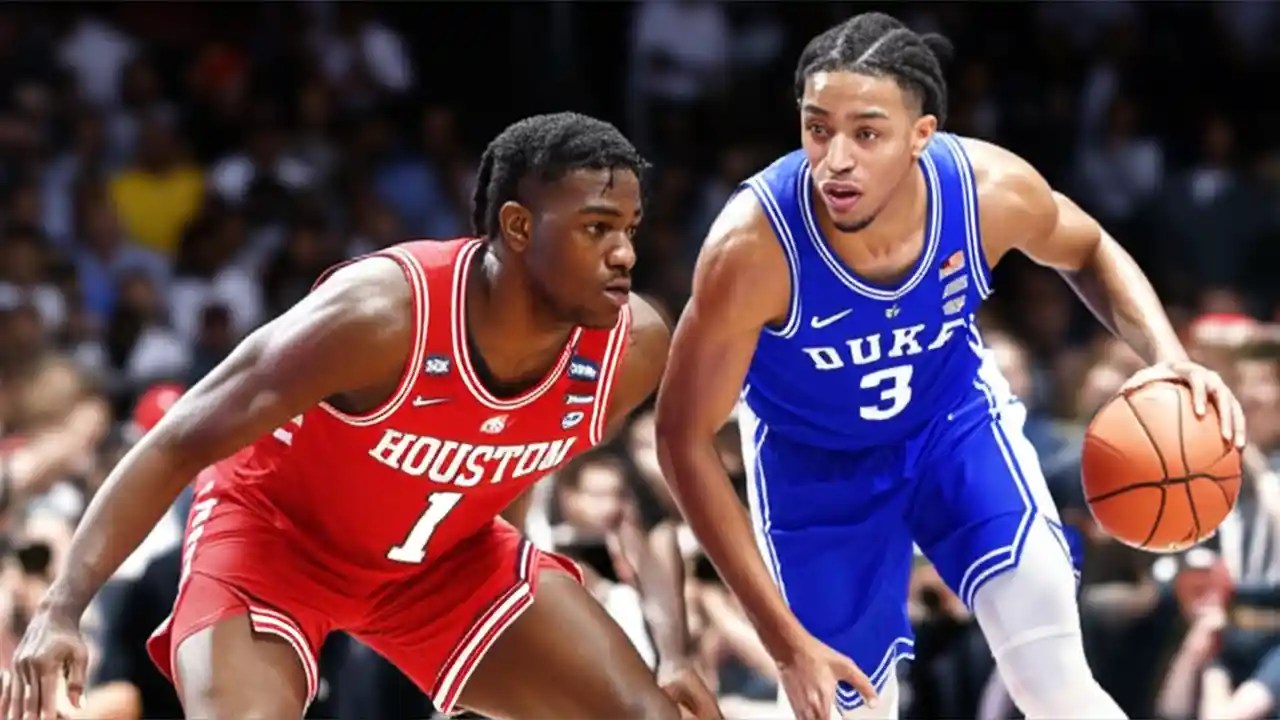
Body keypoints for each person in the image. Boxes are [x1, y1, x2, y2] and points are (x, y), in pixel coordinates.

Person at [2, 112, 720, 720]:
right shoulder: (382, 315)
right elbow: (176, 441)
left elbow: (584, 481)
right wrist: (61, 607)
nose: (625, 251)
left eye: (630, 225)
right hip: (275, 544)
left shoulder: (631, 350)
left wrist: (679, 649)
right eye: (597, 228)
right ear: (519, 226)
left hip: (444, 561)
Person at [653, 12, 1246, 720]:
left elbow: (1087, 249)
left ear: (920, 136)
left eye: (866, 133)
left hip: (952, 428)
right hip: (817, 471)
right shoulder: (751, 248)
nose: (835, 157)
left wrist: (1168, 358)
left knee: (1053, 678)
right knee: (853, 710)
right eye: (818, 128)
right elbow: (680, 437)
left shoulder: (988, 192)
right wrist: (782, 640)